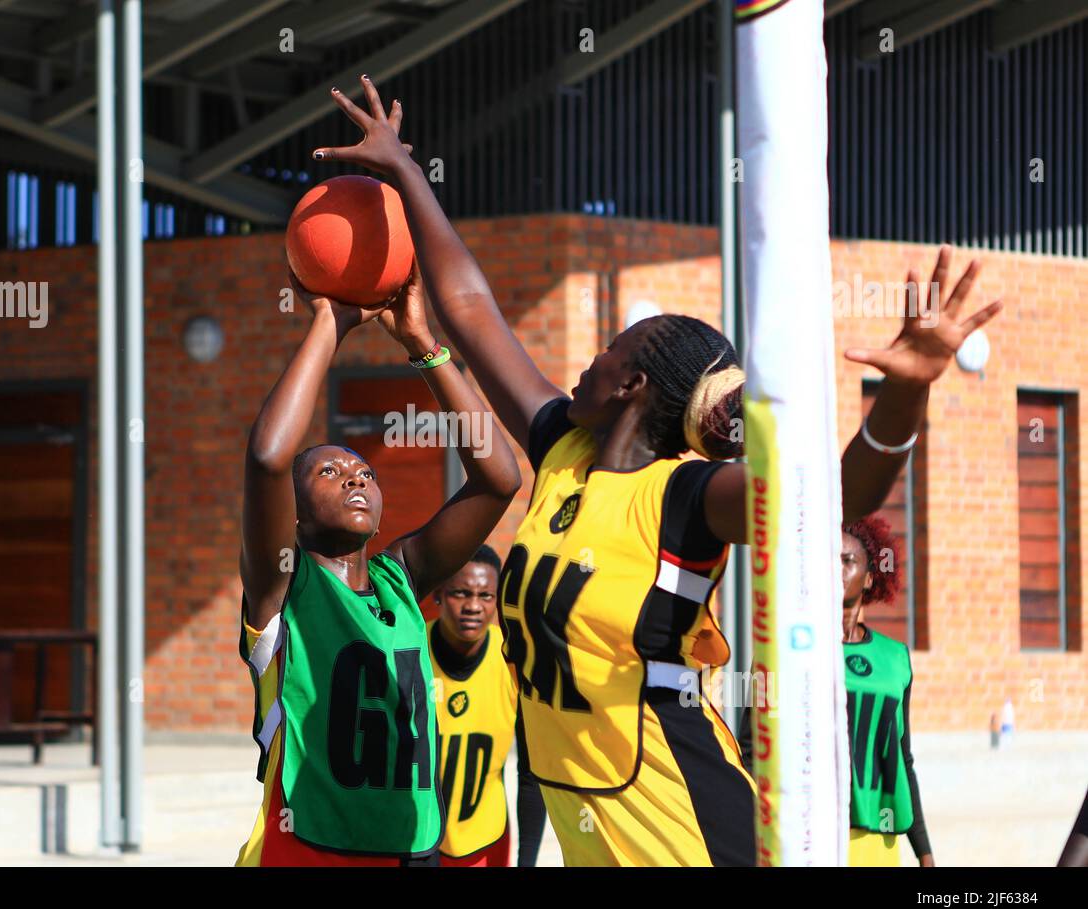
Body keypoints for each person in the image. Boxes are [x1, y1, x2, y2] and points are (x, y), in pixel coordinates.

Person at [311, 74, 1003, 866]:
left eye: (609, 349)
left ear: (634, 385)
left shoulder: (686, 498)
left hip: (677, 811)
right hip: (583, 811)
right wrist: (403, 170)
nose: (589, 359)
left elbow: (830, 501)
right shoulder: (562, 452)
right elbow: (471, 309)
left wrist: (904, 392)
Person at [234, 264, 521, 867]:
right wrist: (329, 323)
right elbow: (267, 457)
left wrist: (423, 343)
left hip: (413, 850)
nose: (356, 479)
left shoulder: (402, 579)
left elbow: (499, 479)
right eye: (330, 472)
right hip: (308, 846)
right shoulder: (283, 583)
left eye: (365, 472)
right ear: (297, 510)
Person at [743, 516, 934, 866]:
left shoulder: (895, 659)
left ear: (870, 577)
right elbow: (751, 748)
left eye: (847, 561)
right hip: (805, 835)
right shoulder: (782, 648)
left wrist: (924, 852)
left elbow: (901, 757)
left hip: (878, 839)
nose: (836, 570)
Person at [429, 545, 547, 866]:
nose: (473, 606)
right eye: (461, 593)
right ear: (438, 593)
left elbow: (531, 772)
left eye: (486, 596)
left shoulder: (513, 660)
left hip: (485, 842)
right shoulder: (410, 651)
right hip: (417, 841)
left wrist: (527, 861)